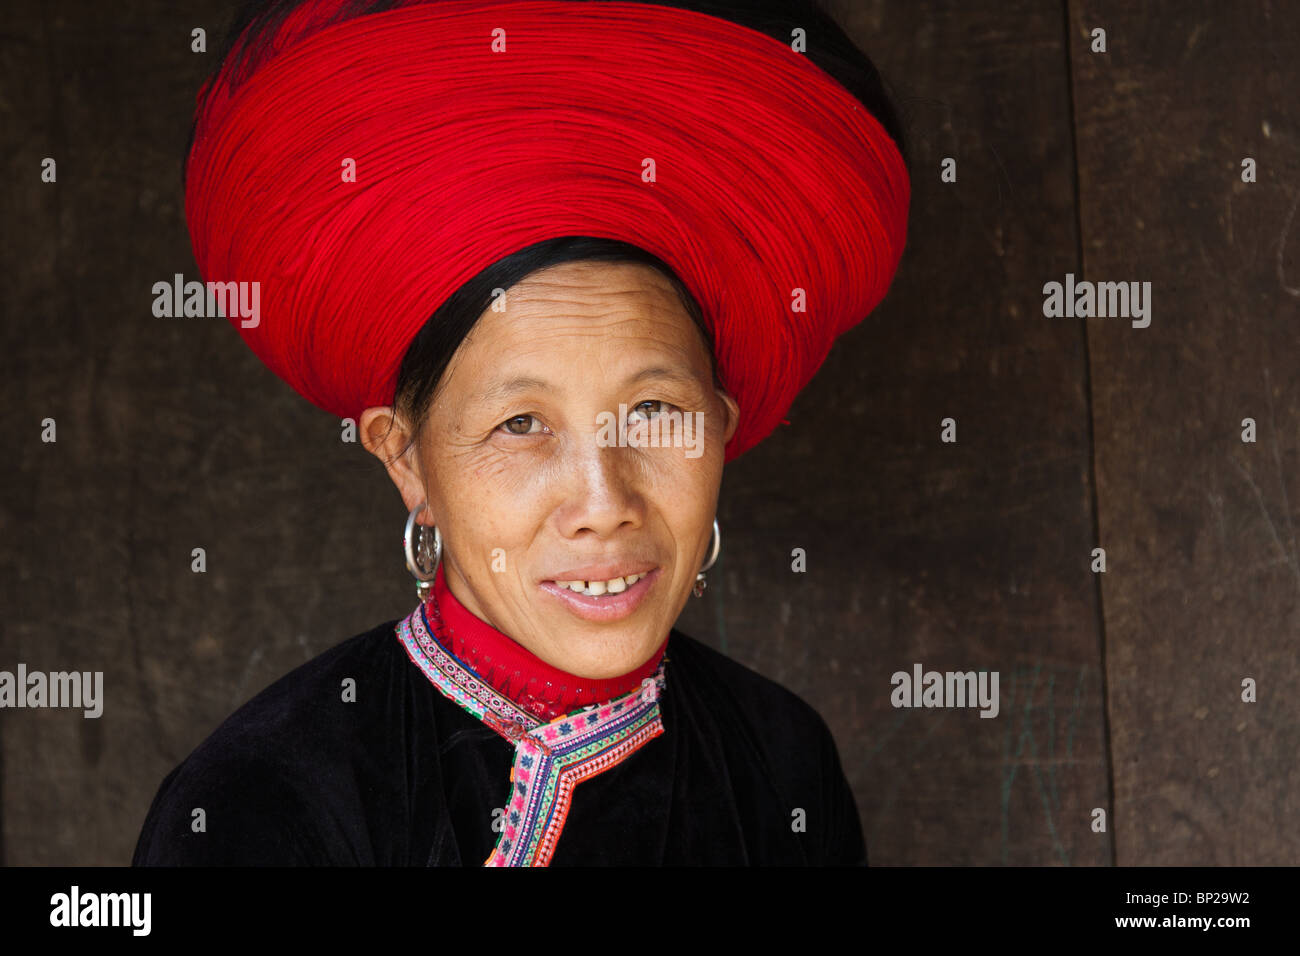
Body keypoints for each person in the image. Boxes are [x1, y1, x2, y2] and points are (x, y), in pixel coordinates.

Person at [133, 0, 910, 866]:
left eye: (655, 413)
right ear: (406, 457)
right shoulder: (267, 802)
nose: (602, 504)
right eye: (522, 423)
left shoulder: (781, 762)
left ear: (720, 429)